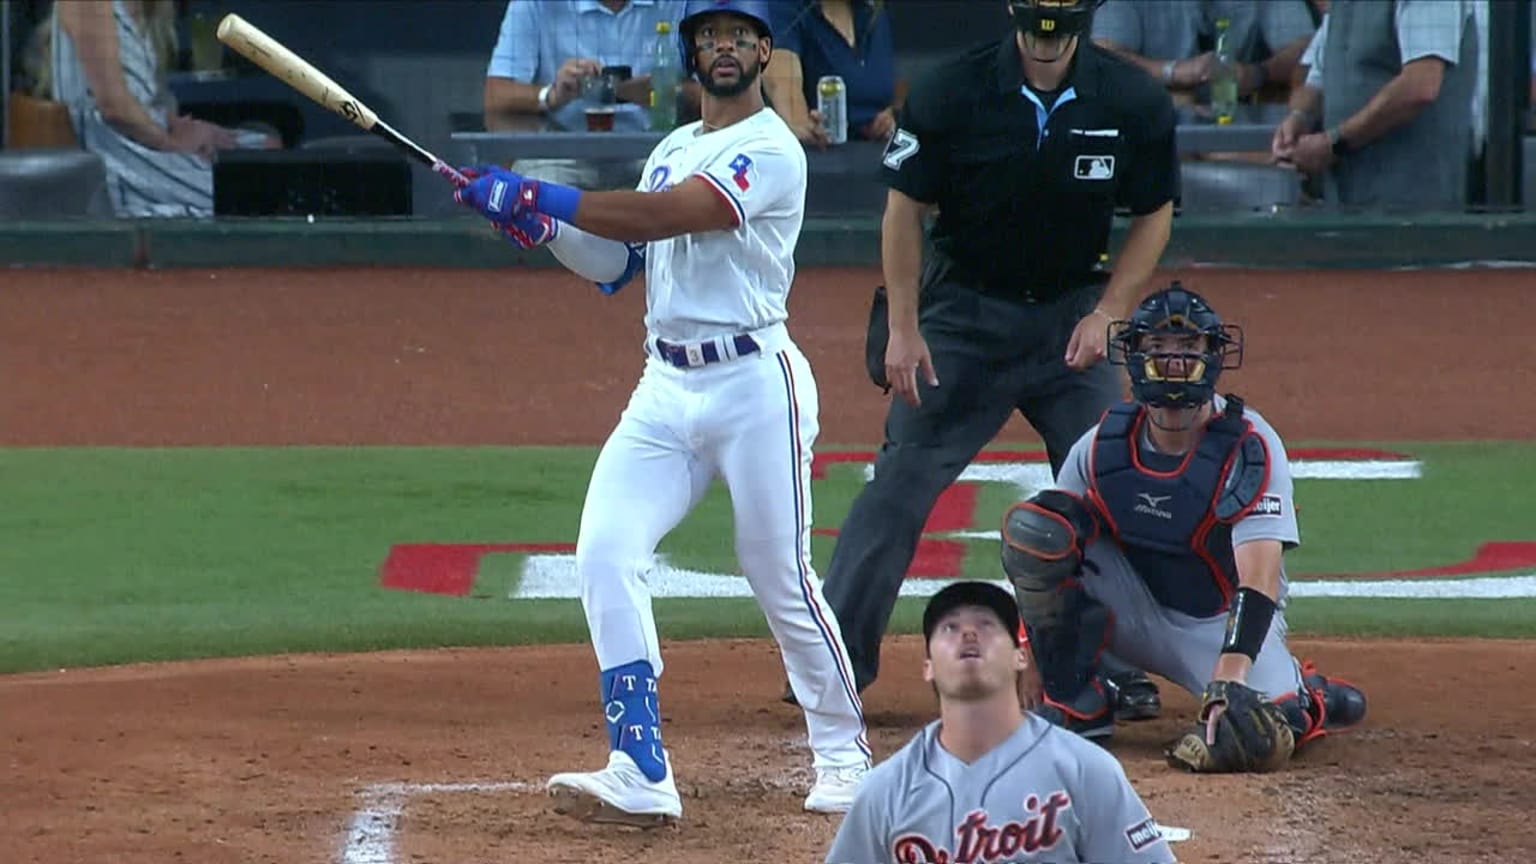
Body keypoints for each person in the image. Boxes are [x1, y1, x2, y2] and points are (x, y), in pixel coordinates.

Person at [454, 0, 871, 824]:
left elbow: (671, 215)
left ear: (762, 51)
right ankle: (640, 766)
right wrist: (536, 225)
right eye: (708, 37)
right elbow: (617, 260)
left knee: (777, 572)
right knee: (605, 552)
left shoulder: (771, 147)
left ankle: (844, 751)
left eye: (738, 37)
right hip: (665, 386)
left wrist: (540, 188)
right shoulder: (673, 145)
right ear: (692, 56)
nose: (723, 48)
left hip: (756, 384)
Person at [809, 0, 1179, 728]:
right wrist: (906, 330)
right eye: (1036, 27)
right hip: (965, 315)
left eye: (1062, 29)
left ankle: (1112, 667)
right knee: (901, 484)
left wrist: (1108, 315)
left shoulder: (1131, 99)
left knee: (1112, 483)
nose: (1046, 46)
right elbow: (902, 211)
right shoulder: (953, 88)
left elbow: (1155, 211)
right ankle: (835, 664)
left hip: (1070, 316)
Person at [998, 282, 1368, 770]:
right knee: (1037, 531)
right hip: (1128, 602)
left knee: (1262, 730)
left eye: (1188, 347)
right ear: (1135, 357)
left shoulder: (1250, 444)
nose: (1174, 361)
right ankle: (1078, 702)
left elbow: (1258, 580)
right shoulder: (1101, 443)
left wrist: (1230, 680)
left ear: (1213, 356)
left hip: (1215, 622)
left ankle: (1307, 696)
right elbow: (1044, 552)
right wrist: (1031, 655)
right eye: (1158, 348)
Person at [825, 580, 1175, 864]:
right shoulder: (886, 791)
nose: (968, 634)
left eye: (986, 625)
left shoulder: (1085, 772)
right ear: (927, 665)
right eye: (950, 628)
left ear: (1021, 657)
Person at [27, 0, 275, 217]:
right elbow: (115, 108)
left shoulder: (141, 10)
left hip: (146, 136)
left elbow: (140, 101)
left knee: (266, 147)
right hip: (118, 155)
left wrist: (190, 128)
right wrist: (176, 145)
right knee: (261, 189)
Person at [1270, 0, 1478, 209]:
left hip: (1413, 204)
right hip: (1346, 203)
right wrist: (1300, 116)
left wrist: (1334, 143)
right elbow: (1318, 75)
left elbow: (1420, 86)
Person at [482, 0, 699, 188]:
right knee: (538, 186)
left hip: (658, 151)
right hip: (561, 154)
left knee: (691, 180)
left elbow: (723, 95)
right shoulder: (536, 5)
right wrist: (551, 95)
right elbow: (497, 96)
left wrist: (669, 91)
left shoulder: (682, 5)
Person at [1093, 1, 1317, 108]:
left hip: (1236, 122)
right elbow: (1103, 57)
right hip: (1150, 118)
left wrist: (1258, 73)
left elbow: (1307, 49)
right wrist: (1171, 72)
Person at [768, 0, 904, 146]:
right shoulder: (783, 10)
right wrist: (806, 128)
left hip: (878, 156)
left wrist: (892, 118)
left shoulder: (873, 11)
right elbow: (784, 91)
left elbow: (892, 89)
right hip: (822, 159)